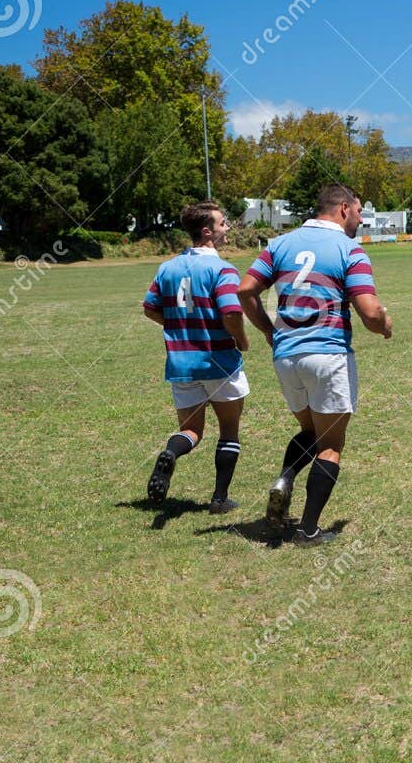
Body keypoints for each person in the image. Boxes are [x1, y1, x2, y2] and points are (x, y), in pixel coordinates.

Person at [236, 184, 392, 545]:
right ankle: (308, 530)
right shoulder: (350, 250)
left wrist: (268, 331)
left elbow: (245, 291)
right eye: (358, 212)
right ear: (342, 209)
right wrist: (384, 324)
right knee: (330, 446)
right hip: (328, 353)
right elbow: (369, 313)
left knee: (310, 432)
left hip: (286, 356)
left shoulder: (279, 244)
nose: (360, 219)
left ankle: (285, 478)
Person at [141, 201, 250, 513]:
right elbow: (231, 311)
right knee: (229, 430)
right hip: (219, 361)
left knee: (191, 431)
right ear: (208, 232)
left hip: (181, 363)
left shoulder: (167, 268)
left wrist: (179, 326)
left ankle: (172, 454)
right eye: (223, 224)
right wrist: (241, 339)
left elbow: (150, 308)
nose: (227, 228)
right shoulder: (222, 269)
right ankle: (219, 499)